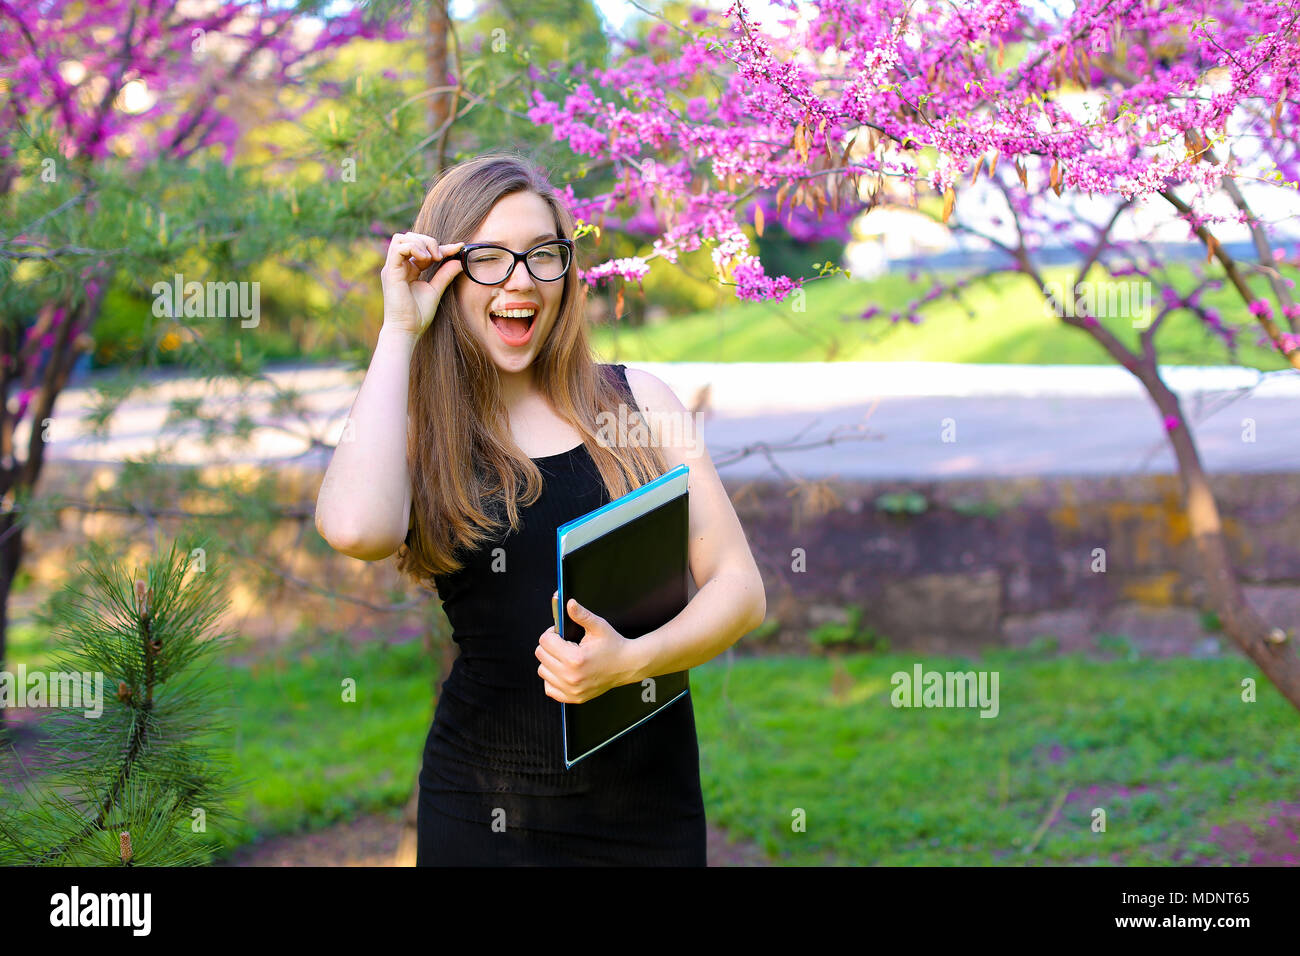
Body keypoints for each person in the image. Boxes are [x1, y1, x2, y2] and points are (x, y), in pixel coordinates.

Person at [314, 151, 766, 865]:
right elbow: (355, 529)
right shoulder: (422, 430)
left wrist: (629, 663)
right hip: (484, 815)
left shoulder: (639, 402)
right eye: (488, 258)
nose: (520, 282)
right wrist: (399, 328)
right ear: (445, 273)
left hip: (649, 815)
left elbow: (740, 591)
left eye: (542, 256)